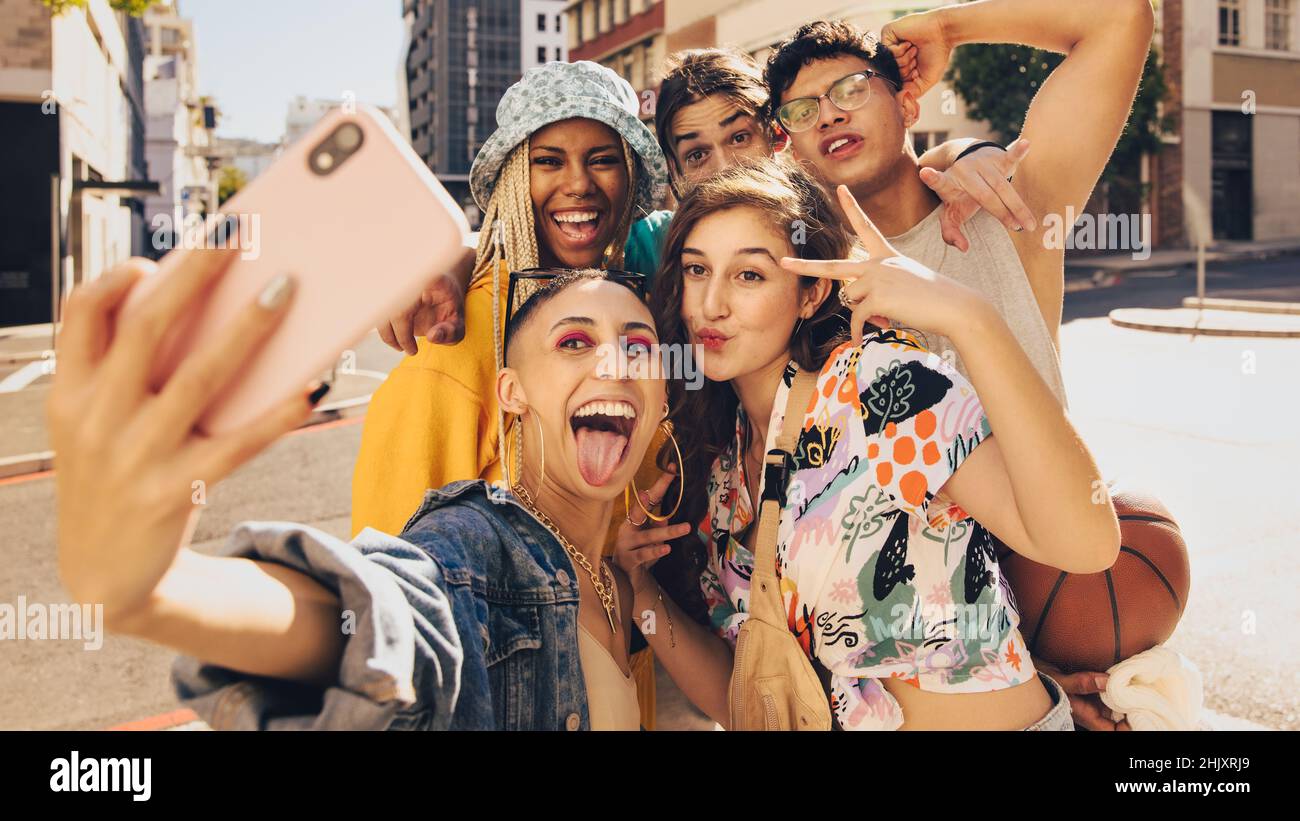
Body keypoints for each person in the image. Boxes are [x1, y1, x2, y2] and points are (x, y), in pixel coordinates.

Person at [50, 256, 716, 730]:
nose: (612, 363)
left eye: (639, 348)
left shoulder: (613, 577)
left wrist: (637, 583)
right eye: (575, 341)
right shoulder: (478, 549)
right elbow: (386, 615)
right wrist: (162, 591)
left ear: (661, 397)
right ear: (512, 392)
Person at [617, 158, 1119, 730]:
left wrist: (968, 317)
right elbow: (750, 693)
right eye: (696, 270)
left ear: (811, 294)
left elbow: (1087, 544)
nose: (711, 305)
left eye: (749, 275)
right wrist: (640, 591)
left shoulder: (875, 388)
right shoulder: (725, 477)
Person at [761, 5, 1154, 728]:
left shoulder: (1011, 203)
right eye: (803, 109)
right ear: (789, 148)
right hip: (931, 671)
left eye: (851, 88)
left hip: (1057, 588)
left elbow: (1120, 20)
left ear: (907, 98)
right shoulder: (808, 288)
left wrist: (945, 30)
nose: (829, 116)